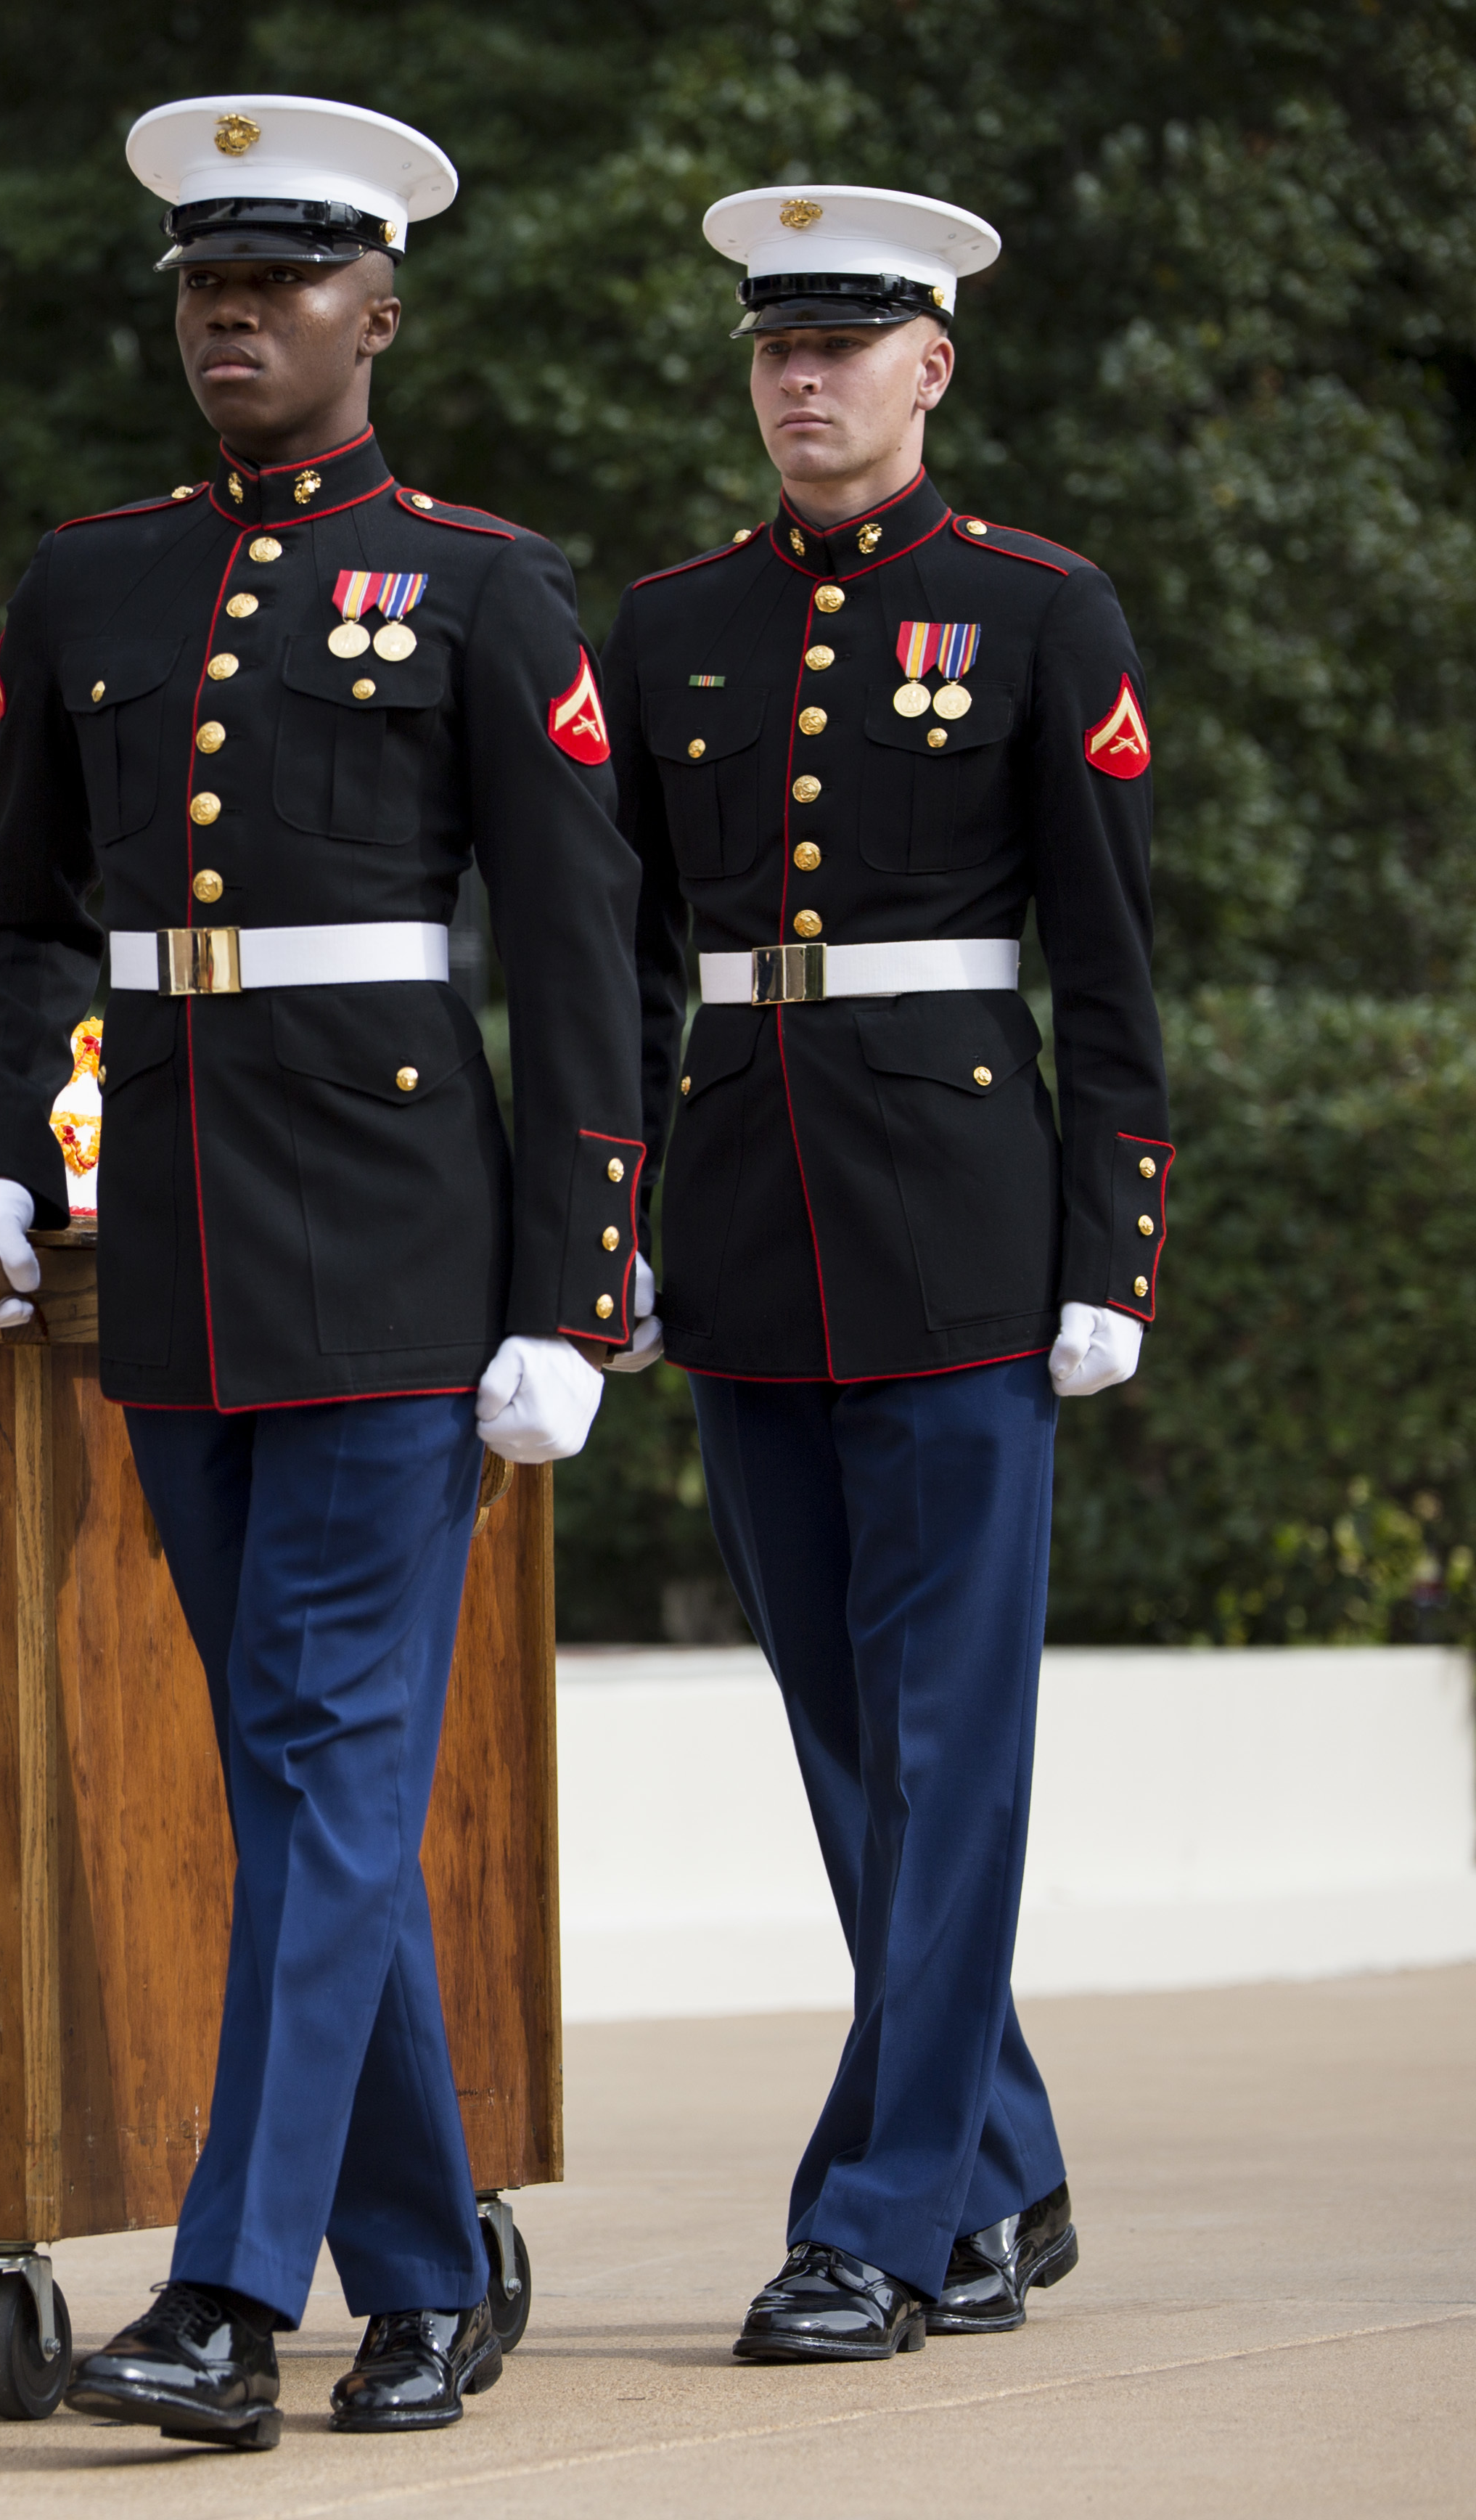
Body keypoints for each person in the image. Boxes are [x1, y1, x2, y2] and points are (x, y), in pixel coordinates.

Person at [0, 97, 643, 2448]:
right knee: (296, 1783)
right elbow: (21, 922)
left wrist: (575, 1292)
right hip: (185, 1250)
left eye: (284, 281)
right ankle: (430, 2270)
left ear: (378, 312)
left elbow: (577, 959)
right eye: (205, 283)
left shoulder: (481, 582)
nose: (234, 316)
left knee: (327, 1763)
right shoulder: (87, 583)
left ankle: (232, 2298)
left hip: (405, 1249)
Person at [604, 185, 1163, 2365]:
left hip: (963, 1234)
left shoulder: (1041, 610)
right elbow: (622, 961)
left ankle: (886, 2215)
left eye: (846, 347)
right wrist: (616, 1215)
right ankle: (1004, 2161)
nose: (804, 381)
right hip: (747, 1222)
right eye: (775, 350)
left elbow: (1112, 969)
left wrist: (1110, 1237)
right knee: (851, 1746)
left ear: (933, 367)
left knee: (956, 1748)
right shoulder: (667, 627)